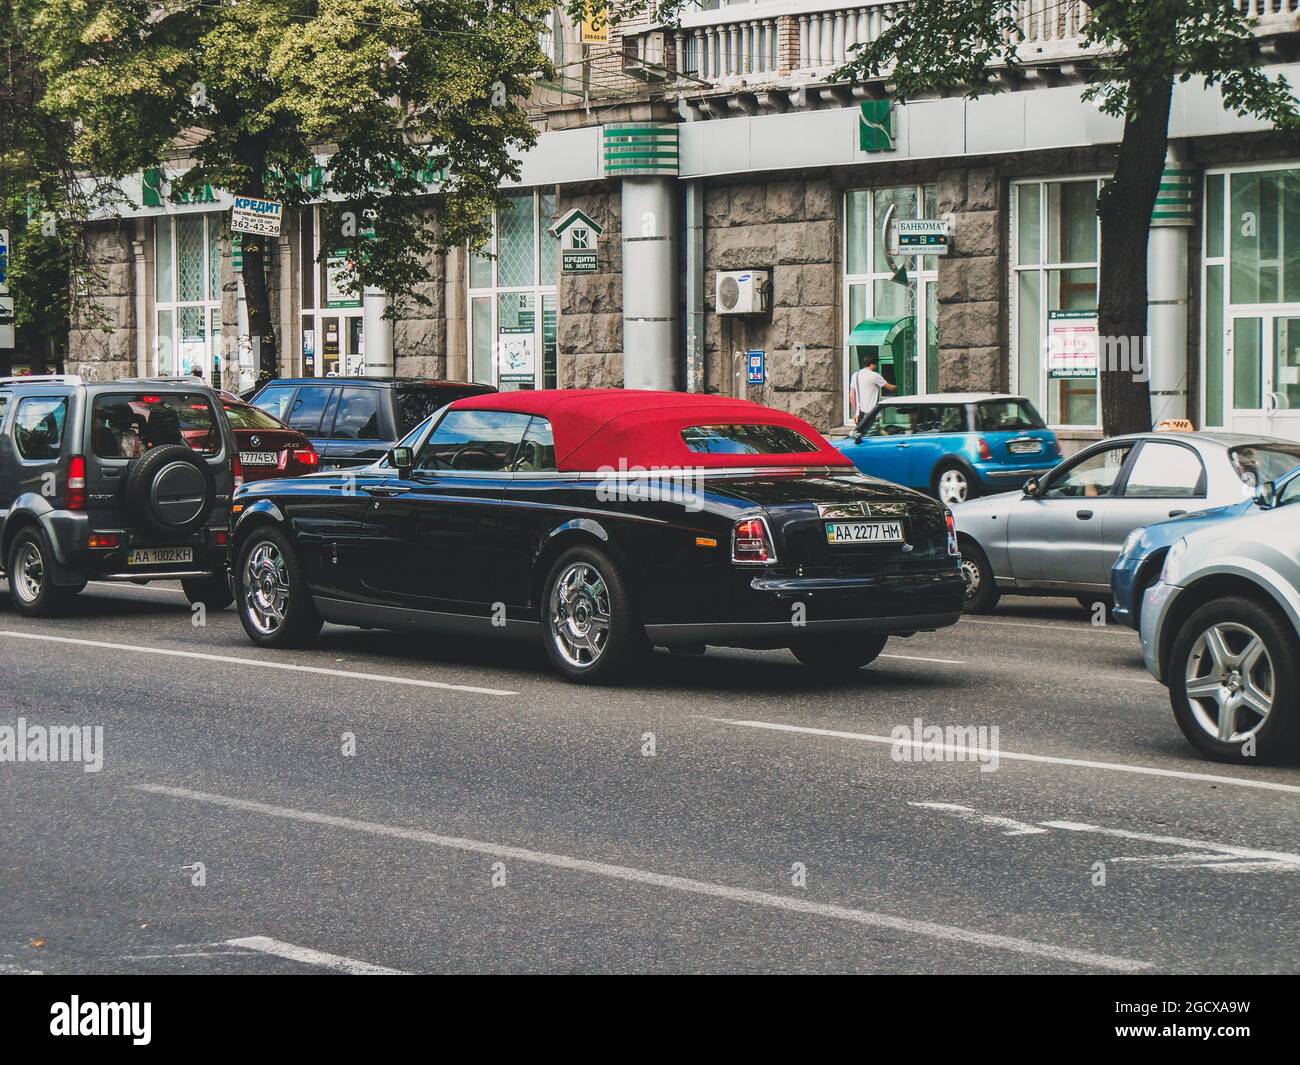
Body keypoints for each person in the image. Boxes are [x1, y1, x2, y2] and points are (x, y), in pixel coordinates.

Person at [850, 355, 895, 437]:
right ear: (872, 364)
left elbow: (852, 396)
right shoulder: (874, 375)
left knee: (862, 438)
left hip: (860, 415)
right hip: (872, 414)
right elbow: (891, 388)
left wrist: (856, 413)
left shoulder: (855, 375)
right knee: (873, 438)